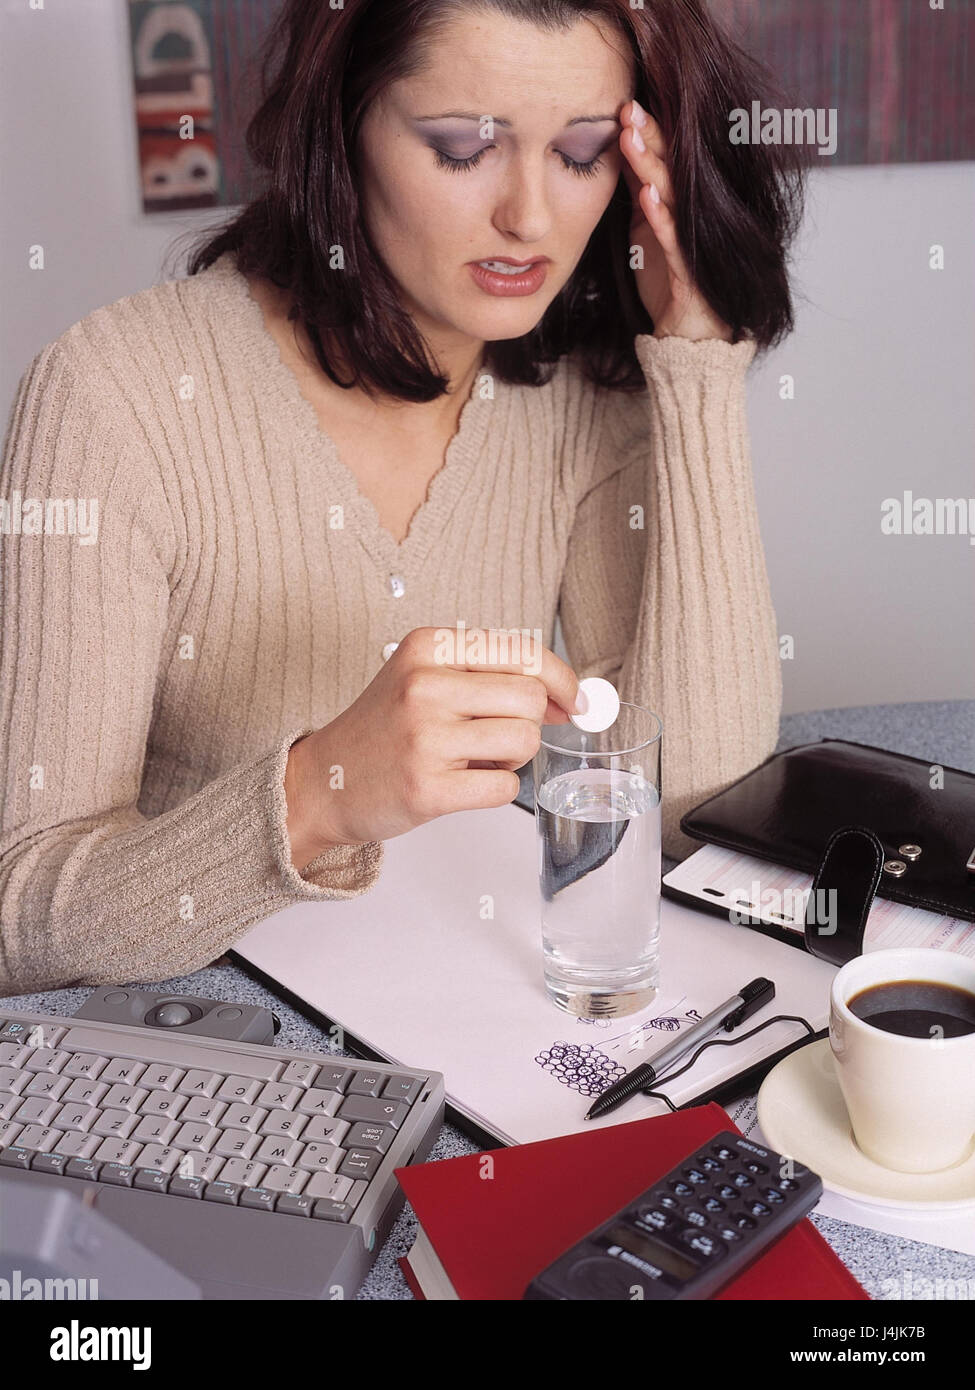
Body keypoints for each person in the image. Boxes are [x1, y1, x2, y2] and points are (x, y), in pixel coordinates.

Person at [0, 0, 805, 993]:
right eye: (465, 148)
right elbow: (17, 920)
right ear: (345, 126)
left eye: (584, 152)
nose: (530, 217)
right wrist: (320, 794)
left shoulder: (582, 395)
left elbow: (686, 806)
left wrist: (696, 363)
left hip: (458, 1017)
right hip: (192, 1054)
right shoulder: (114, 395)